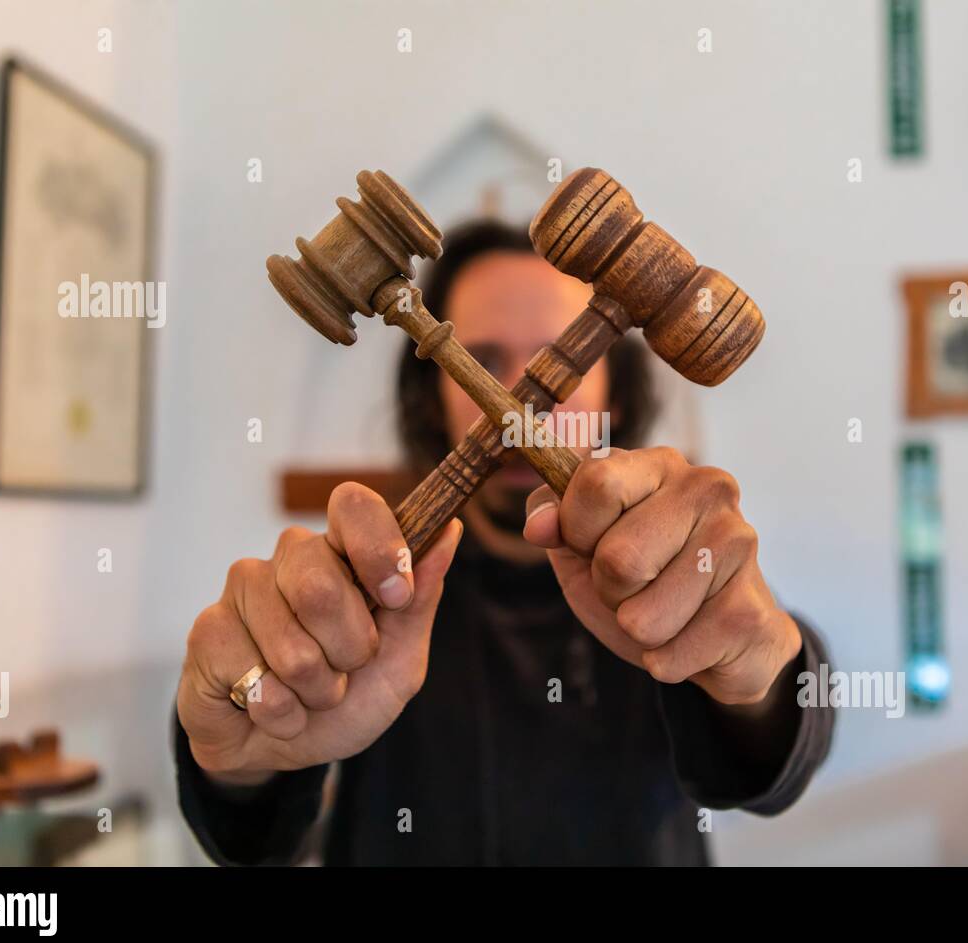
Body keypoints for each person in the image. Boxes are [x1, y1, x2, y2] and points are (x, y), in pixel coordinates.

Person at [173, 220, 835, 865]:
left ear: (618, 394)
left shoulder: (676, 577)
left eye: (564, 361)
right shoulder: (363, 595)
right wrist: (243, 756)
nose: (524, 401)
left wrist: (764, 675)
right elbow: (249, 836)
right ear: (433, 397)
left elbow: (774, 757)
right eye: (483, 361)